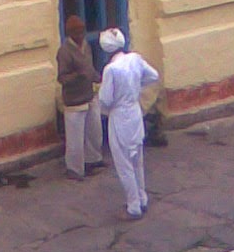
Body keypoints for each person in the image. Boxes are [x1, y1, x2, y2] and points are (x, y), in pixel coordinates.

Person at [98, 28, 160, 220]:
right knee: (137, 160)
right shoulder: (135, 59)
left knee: (124, 164)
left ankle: (133, 205)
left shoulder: (111, 70)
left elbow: (105, 99)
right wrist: (135, 89)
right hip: (135, 112)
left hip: (120, 117)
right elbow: (153, 76)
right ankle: (142, 197)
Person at [56, 14, 103, 181]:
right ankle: (75, 169)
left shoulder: (86, 46)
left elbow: (90, 68)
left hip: (89, 94)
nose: (80, 35)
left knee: (94, 131)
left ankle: (93, 160)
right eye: (77, 32)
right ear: (70, 33)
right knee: (75, 138)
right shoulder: (64, 52)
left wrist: (98, 78)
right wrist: (77, 75)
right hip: (74, 100)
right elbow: (62, 78)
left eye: (82, 31)